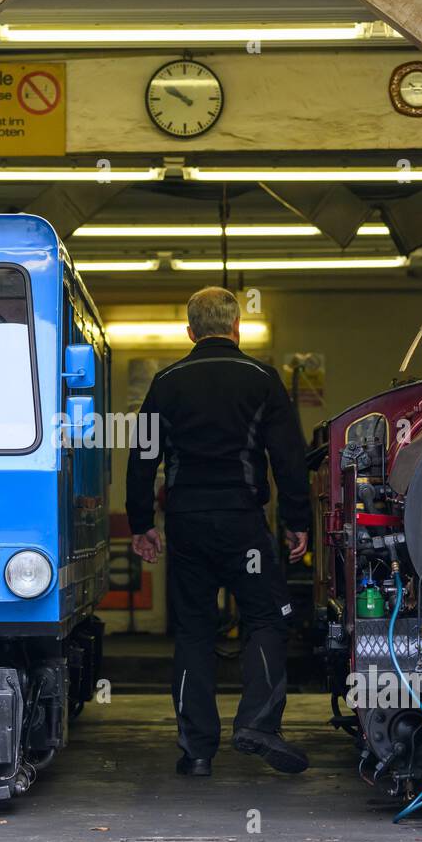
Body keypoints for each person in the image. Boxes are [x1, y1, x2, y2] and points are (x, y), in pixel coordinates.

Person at [126, 286, 311, 777]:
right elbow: (289, 459)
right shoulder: (261, 379)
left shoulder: (166, 382)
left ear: (190, 332)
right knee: (268, 619)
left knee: (192, 630)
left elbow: (142, 457)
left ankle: (198, 751)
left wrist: (142, 523)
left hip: (187, 526)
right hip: (243, 525)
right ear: (237, 328)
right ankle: (258, 724)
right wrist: (298, 522)